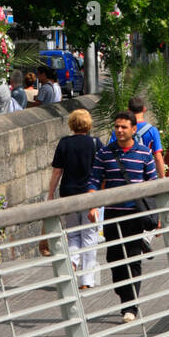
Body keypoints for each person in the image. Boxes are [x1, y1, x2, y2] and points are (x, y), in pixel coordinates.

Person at [87, 110, 157, 323]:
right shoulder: (105, 153)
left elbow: (153, 185)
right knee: (114, 261)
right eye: (117, 126)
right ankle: (125, 295)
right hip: (112, 214)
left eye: (123, 127)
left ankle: (130, 306)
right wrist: (92, 205)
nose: (119, 130)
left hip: (135, 215)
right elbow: (94, 180)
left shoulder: (145, 154)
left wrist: (157, 215)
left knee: (133, 259)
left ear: (133, 130)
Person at [48, 108, 102, 290]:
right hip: (90, 195)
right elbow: (102, 170)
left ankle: (72, 262)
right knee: (90, 236)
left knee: (72, 234)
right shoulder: (95, 143)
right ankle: (86, 280)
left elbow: (57, 171)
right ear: (88, 124)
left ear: (71, 124)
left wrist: (50, 194)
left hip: (68, 194)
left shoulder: (64, 143)